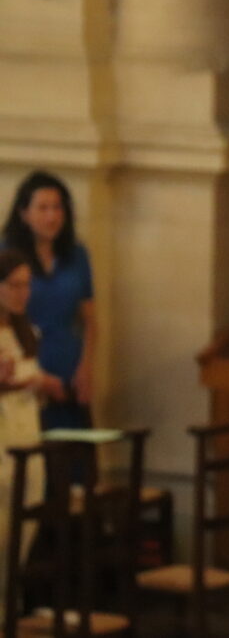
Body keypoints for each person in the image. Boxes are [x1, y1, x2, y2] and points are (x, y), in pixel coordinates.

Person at [0, 249, 66, 620]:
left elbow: (27, 383)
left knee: (21, 537)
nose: (23, 293)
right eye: (14, 285)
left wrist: (41, 386)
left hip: (29, 439)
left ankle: (10, 610)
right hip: (2, 444)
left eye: (27, 285)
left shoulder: (25, 331)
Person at [2, 171, 96, 434]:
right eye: (42, 208)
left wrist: (86, 367)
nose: (52, 216)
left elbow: (89, 318)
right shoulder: (7, 254)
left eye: (57, 208)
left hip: (67, 363)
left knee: (73, 454)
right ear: (24, 213)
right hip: (24, 363)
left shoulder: (76, 255)